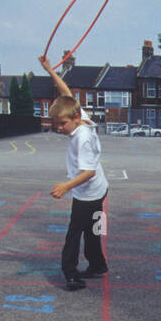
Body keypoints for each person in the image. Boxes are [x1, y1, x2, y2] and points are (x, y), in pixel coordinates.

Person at [39, 54, 109, 291]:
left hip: (87, 191)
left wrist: (66, 186)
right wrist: (50, 71)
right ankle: (98, 264)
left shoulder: (82, 139)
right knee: (92, 228)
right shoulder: (82, 118)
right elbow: (66, 93)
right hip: (99, 188)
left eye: (62, 124)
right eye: (56, 124)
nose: (59, 129)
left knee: (74, 233)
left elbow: (88, 171)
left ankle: (70, 274)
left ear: (74, 118)